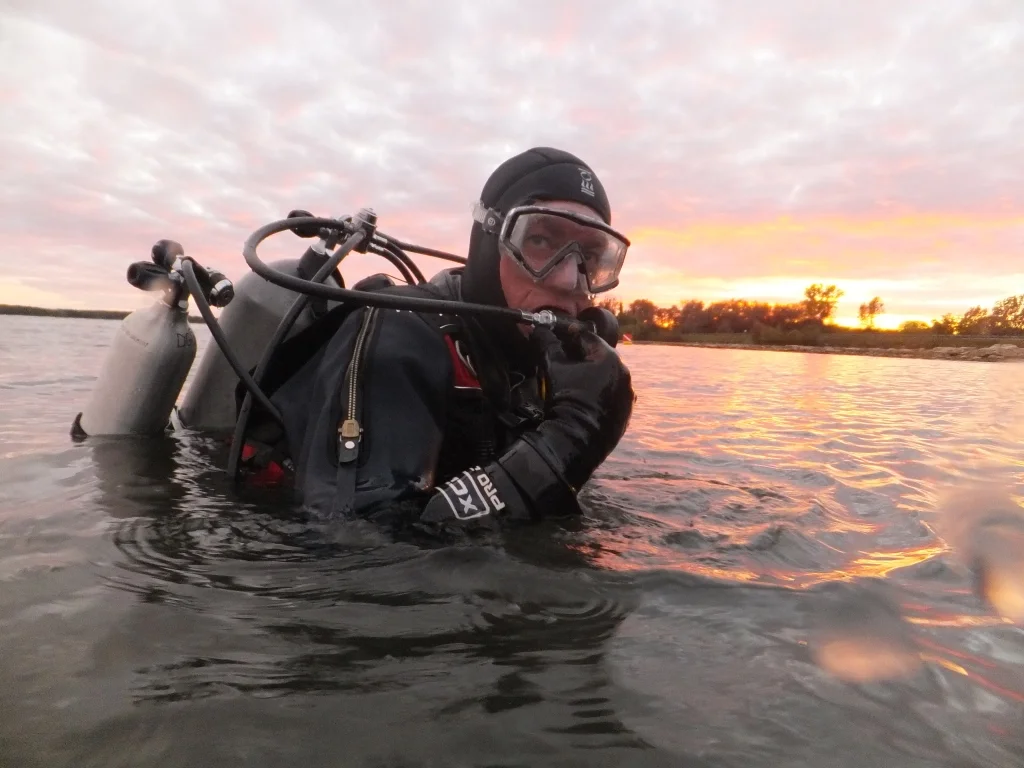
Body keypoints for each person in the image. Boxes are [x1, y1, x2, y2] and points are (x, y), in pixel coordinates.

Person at [243, 147, 635, 530]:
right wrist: (570, 437)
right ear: (489, 240)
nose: (568, 279)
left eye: (590, 257)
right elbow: (357, 543)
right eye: (540, 240)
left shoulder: (533, 370)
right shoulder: (400, 340)